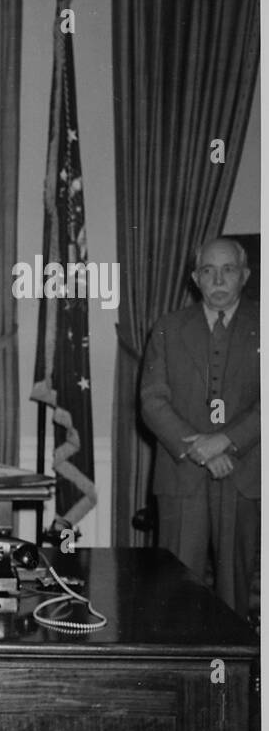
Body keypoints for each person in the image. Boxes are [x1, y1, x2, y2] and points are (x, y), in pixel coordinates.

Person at [141, 236, 260, 620]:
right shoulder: (167, 329)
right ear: (195, 278)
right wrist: (199, 450)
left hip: (246, 476)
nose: (219, 279)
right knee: (175, 589)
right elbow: (152, 401)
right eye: (209, 271)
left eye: (228, 270)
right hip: (182, 475)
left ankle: (232, 679)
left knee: (235, 593)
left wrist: (226, 441)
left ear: (244, 275)